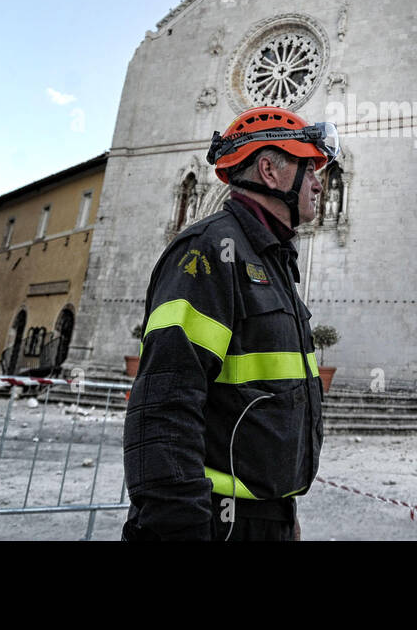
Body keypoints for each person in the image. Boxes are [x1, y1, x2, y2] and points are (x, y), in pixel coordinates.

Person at [121, 106, 339, 541]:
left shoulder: (270, 260)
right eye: (309, 167)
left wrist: (281, 509)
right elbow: (164, 406)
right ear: (270, 172)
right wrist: (179, 527)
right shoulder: (207, 252)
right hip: (213, 524)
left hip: (262, 518)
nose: (319, 183)